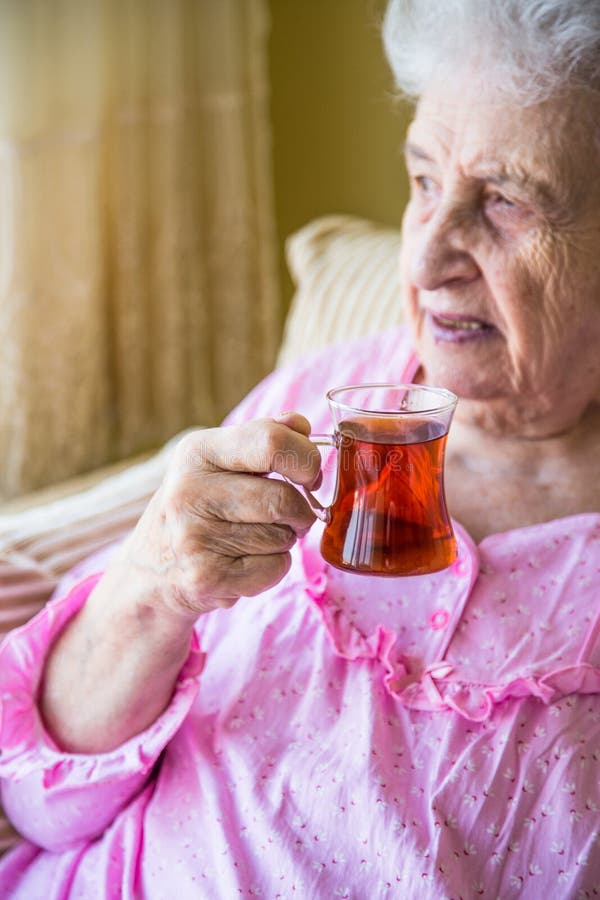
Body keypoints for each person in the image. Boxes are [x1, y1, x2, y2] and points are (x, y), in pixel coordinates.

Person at [1, 0, 600, 896]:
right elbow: (44, 806)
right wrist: (154, 588)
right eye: (424, 180)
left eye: (508, 202)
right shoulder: (319, 400)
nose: (428, 255)